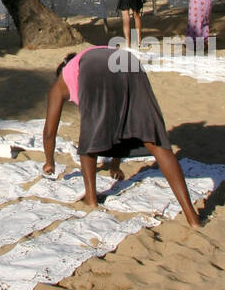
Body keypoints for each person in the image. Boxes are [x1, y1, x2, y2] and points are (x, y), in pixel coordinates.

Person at [42, 45, 202, 227]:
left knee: (88, 138)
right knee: (154, 139)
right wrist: (115, 164)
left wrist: (49, 161)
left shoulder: (62, 79)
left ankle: (91, 199)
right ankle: (192, 217)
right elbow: (118, 122)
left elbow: (49, 132)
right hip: (130, 62)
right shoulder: (90, 56)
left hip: (97, 68)